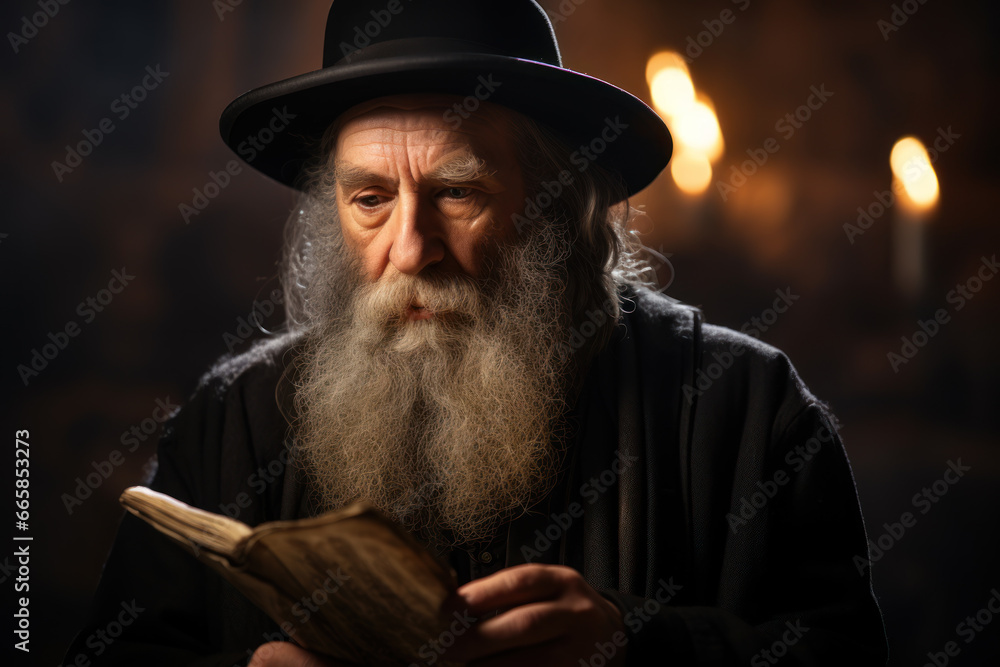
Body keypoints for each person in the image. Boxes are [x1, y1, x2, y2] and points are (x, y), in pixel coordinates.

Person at [65, 1, 888, 665]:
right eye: (370, 199)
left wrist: (637, 645)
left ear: (560, 208)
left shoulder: (746, 410)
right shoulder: (234, 418)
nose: (411, 249)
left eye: (458, 192)